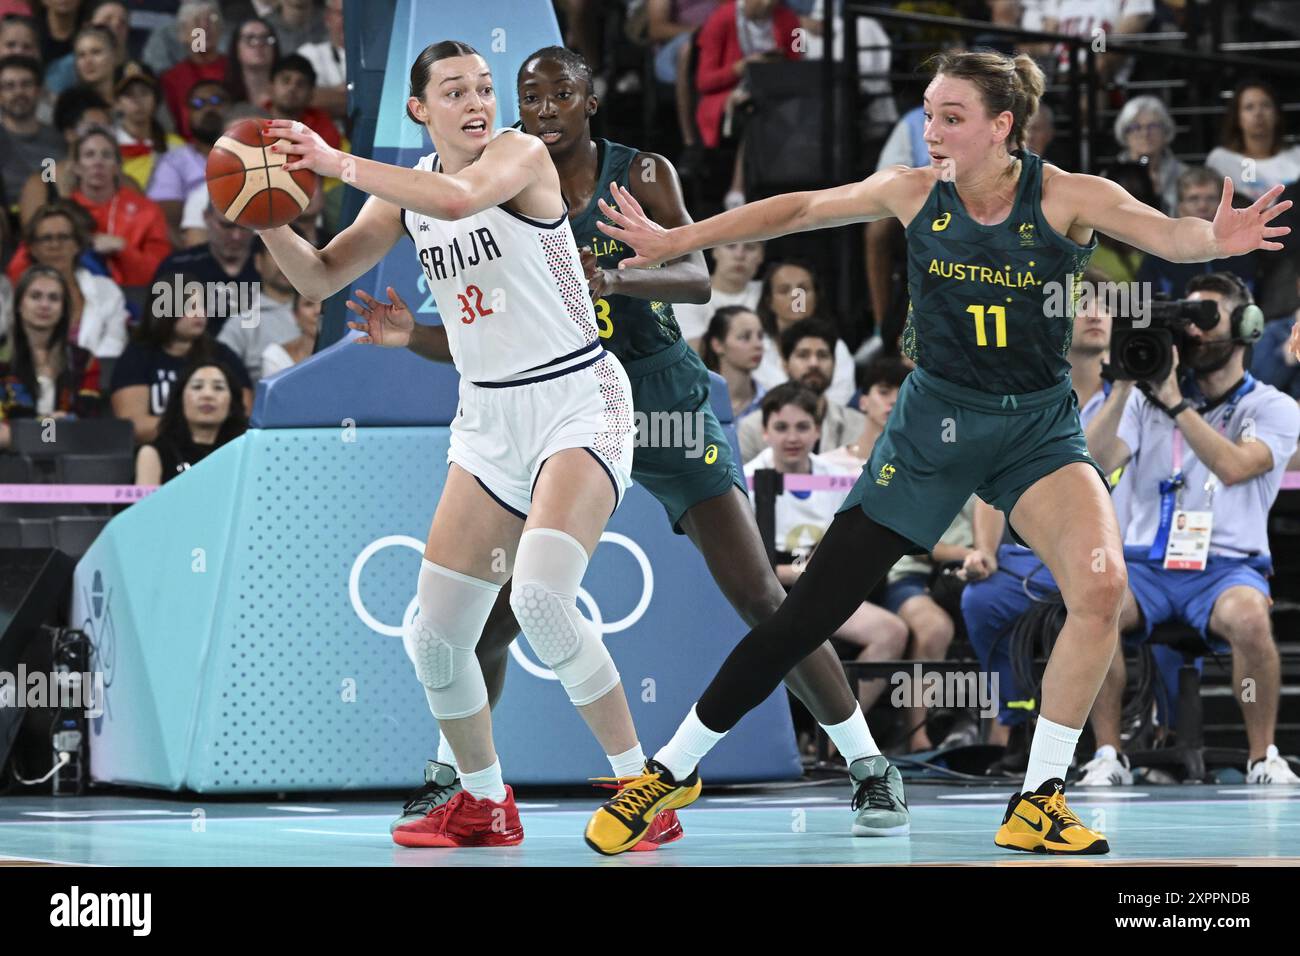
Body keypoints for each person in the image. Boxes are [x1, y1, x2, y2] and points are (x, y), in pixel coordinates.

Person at [583, 48, 1290, 856]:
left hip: (1035, 427)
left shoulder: (1066, 197)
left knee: (1099, 588)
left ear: (1003, 127)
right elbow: (796, 210)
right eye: (927, 112)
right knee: (809, 613)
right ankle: (669, 771)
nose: (932, 129)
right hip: (933, 426)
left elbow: (1170, 233)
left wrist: (1214, 238)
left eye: (952, 116)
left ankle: (1039, 798)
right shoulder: (913, 192)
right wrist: (678, 235)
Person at [338, 44, 898, 847]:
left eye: (561, 94)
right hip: (539, 405)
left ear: (589, 101)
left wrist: (620, 276)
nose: (544, 110)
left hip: (651, 395)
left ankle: (866, 761)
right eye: (530, 98)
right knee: (491, 618)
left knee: (757, 594)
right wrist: (409, 333)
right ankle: (459, 779)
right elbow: (481, 330)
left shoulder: (636, 176)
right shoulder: (482, 174)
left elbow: (699, 278)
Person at [261, 39, 662, 851]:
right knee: (435, 634)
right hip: (487, 420)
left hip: (577, 399)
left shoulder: (516, 154)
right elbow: (315, 278)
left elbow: (455, 200)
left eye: (484, 86)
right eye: (455, 90)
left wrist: (332, 161)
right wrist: (263, 213)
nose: (478, 101)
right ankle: (483, 800)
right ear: (420, 110)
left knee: (544, 600)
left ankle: (640, 789)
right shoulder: (404, 193)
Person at [1086, 272, 1300, 785]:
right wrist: (1123, 386)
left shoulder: (1272, 407)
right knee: (1095, 606)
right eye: (1188, 321)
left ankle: (1261, 756)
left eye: (1207, 319)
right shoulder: (1144, 397)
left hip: (1226, 568)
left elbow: (1233, 466)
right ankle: (1109, 754)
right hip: (1144, 565)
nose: (1194, 333)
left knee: (1250, 619)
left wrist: (1177, 406)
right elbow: (1095, 460)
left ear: (1247, 328)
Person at [745, 382, 909, 719]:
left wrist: (816, 571)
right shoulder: (745, 481)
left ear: (817, 431)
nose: (793, 437)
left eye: (803, 427)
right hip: (763, 588)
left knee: (891, 632)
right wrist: (792, 573)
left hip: (820, 584)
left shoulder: (839, 478)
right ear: (765, 432)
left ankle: (839, 745)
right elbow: (741, 566)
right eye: (781, 427)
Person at [110, 279, 251, 443]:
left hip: (217, 453)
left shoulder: (222, 355)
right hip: (157, 454)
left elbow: (242, 420)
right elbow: (135, 427)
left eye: (202, 305)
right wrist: (200, 424)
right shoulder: (137, 357)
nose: (199, 313)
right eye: (190, 307)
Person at [0, 265, 103, 450]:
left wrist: (26, 433)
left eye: (54, 298)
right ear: (18, 305)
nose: (44, 305)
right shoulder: (2, 357)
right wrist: (50, 428)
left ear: (64, 308)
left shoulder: (84, 360)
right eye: (35, 296)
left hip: (71, 461)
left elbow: (89, 424)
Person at [738, 317, 865, 461]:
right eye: (803, 355)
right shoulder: (753, 427)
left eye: (823, 355)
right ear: (785, 365)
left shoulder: (860, 426)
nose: (814, 364)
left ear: (835, 364)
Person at [14, 201, 128, 357]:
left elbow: (115, 344)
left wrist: (81, 370)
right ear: (33, 248)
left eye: (64, 237)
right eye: (46, 238)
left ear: (77, 245)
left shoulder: (106, 290)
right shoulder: (18, 293)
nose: (55, 245)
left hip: (95, 377)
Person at [63, 124, 172, 286]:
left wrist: (123, 248)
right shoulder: (61, 213)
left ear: (117, 166)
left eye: (106, 155)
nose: (98, 162)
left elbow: (160, 273)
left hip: (135, 295)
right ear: (77, 167)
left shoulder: (147, 211)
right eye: (89, 155)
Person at [1138, 167, 1259, 296]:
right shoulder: (1159, 252)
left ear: (1223, 205)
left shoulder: (1240, 251)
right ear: (1180, 206)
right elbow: (1144, 305)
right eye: (1193, 199)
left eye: (1211, 199)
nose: (1202, 206)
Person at [753, 259, 855, 404]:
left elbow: (840, 399)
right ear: (769, 300)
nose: (796, 297)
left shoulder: (837, 348)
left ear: (816, 296)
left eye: (803, 289)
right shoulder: (756, 346)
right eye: (784, 290)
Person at [134, 359, 247, 484]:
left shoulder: (246, 454)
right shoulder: (153, 454)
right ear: (180, 400)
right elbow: (146, 503)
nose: (207, 395)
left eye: (218, 387)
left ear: (232, 404)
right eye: (197, 387)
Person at [148, 78, 229, 246]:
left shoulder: (252, 153)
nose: (208, 108)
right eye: (198, 104)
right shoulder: (173, 162)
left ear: (231, 107)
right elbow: (167, 221)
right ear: (188, 115)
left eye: (216, 100)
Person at [16, 85, 111, 226]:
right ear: (69, 134)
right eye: (93, 129)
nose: (101, 137)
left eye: (106, 129)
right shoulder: (41, 184)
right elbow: (33, 241)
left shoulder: (122, 181)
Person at [217, 234, 298, 381]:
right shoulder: (240, 321)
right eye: (277, 253)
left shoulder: (323, 313)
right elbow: (219, 372)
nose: (286, 262)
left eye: (295, 254)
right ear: (258, 261)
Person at [1206, 80, 1300, 203]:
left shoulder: (1296, 155)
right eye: (1249, 107)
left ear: (1277, 114)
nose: (1258, 113)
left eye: (1266, 105)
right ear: (1237, 117)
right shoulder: (1220, 159)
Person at [671, 239, 763, 346]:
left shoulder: (772, 292)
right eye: (730, 246)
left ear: (761, 255)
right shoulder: (689, 295)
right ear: (715, 251)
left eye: (750, 247)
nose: (739, 255)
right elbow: (695, 352)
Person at [0, 54, 62, 208]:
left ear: (39, 91)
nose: (18, 92)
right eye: (9, 86)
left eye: (26, 84)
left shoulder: (60, 142)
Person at [1113, 95, 1187, 216]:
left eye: (1153, 126)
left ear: (1166, 131)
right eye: (1135, 127)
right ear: (1124, 134)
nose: (1145, 133)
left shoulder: (1184, 175)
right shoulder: (1110, 177)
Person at [699, 303, 765, 418]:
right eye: (745, 337)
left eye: (760, 336)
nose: (758, 345)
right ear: (717, 345)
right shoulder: (696, 402)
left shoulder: (769, 401)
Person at [223, 15, 278, 111]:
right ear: (236, 48)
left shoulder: (287, 93)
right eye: (249, 39)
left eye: (265, 38)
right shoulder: (224, 95)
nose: (258, 44)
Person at [260, 291, 318, 377]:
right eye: (308, 304)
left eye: (325, 304)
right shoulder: (276, 356)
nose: (318, 310)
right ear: (295, 315)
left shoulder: (345, 351)